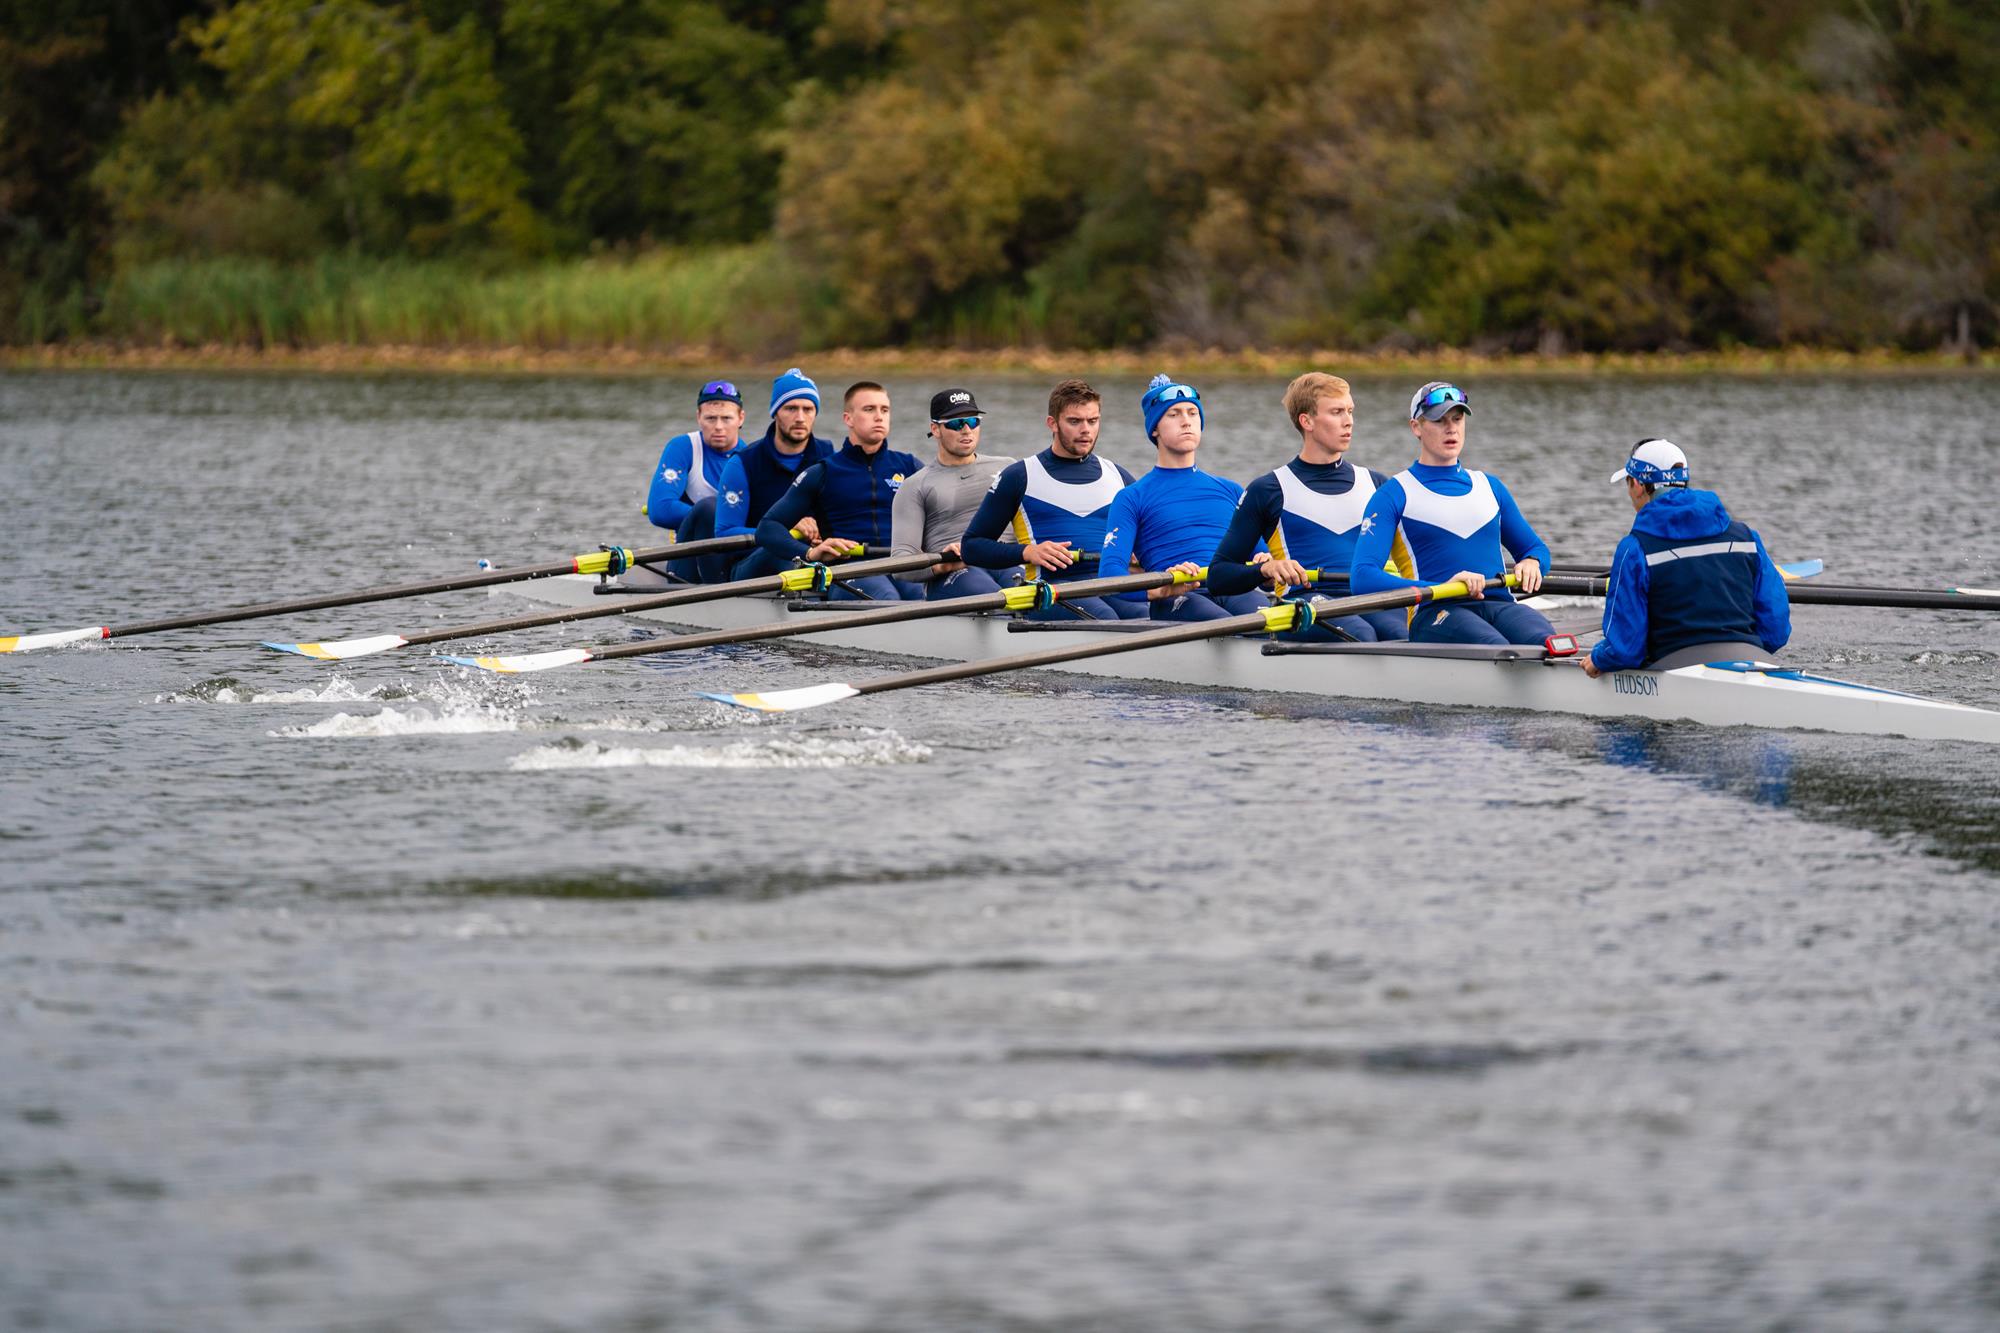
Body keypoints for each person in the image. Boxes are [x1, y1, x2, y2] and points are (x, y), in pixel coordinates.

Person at [1208, 371, 1410, 641]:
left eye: (1350, 411)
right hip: (1302, 602)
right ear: (1307, 421)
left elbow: (1412, 558)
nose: (1348, 421)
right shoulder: (1269, 489)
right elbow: (1219, 576)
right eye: (1337, 412)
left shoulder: (1377, 485)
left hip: (1366, 596)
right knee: (1361, 633)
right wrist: (1264, 570)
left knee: (1403, 631)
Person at [1350, 381, 1555, 645]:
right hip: (1435, 612)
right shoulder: (1393, 494)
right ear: (1416, 427)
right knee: (1497, 648)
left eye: (1457, 419)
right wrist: (1438, 588)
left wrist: (1532, 562)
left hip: (1499, 603)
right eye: (1439, 420)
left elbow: (1536, 549)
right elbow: (1362, 576)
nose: (1451, 428)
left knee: (1551, 642)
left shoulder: (1490, 487)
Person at [1583, 439, 1790, 676]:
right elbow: (1776, 630)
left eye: (1628, 483)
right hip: (1751, 659)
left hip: (1675, 666)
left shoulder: (1634, 549)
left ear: (1639, 484)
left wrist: (1599, 659)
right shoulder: (1746, 537)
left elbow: (1626, 649)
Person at [959, 379, 1149, 620]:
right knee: (1106, 619)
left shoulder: (1118, 476)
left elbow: (1152, 540)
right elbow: (972, 546)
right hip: (1049, 591)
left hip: (1109, 585)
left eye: (1093, 421)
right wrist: (1028, 552)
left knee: (1146, 616)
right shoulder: (1020, 476)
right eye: (1074, 421)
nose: (1086, 430)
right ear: (1053, 423)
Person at [1099, 374, 1270, 622]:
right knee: (1229, 625)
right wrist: (1158, 589)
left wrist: (1265, 568)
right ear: (1155, 428)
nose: (1186, 421)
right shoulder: (1131, 498)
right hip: (1176, 596)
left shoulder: (1232, 491)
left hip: (1232, 590)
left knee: (1269, 619)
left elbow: (1263, 571)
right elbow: (1110, 574)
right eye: (1174, 414)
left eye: (1192, 413)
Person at [750, 381, 926, 600]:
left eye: (885, 410)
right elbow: (767, 528)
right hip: (850, 570)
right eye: (869, 409)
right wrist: (810, 553)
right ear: (848, 419)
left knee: (925, 596)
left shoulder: (909, 466)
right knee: (886, 597)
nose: (879, 416)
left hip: (903, 564)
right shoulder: (823, 472)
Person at [890, 389, 1017, 600]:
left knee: (1032, 594)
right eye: (956, 424)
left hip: (1005, 561)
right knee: (993, 597)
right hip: (953, 571)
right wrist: (940, 564)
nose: (966, 430)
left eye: (973, 422)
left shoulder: (1009, 468)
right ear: (935, 429)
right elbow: (900, 565)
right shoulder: (915, 486)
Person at [715, 368, 835, 579]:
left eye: (807, 409)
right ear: (775, 412)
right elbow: (724, 532)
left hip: (810, 557)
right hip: (752, 564)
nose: (800, 417)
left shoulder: (829, 456)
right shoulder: (742, 463)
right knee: (779, 554)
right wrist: (785, 531)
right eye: (790, 408)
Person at [639, 378, 749, 584]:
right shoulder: (684, 447)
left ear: (740, 418)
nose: (718, 426)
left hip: (733, 559)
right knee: (709, 509)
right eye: (710, 418)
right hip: (687, 563)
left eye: (726, 418)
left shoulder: (752, 457)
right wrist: (721, 520)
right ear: (699, 417)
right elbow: (660, 510)